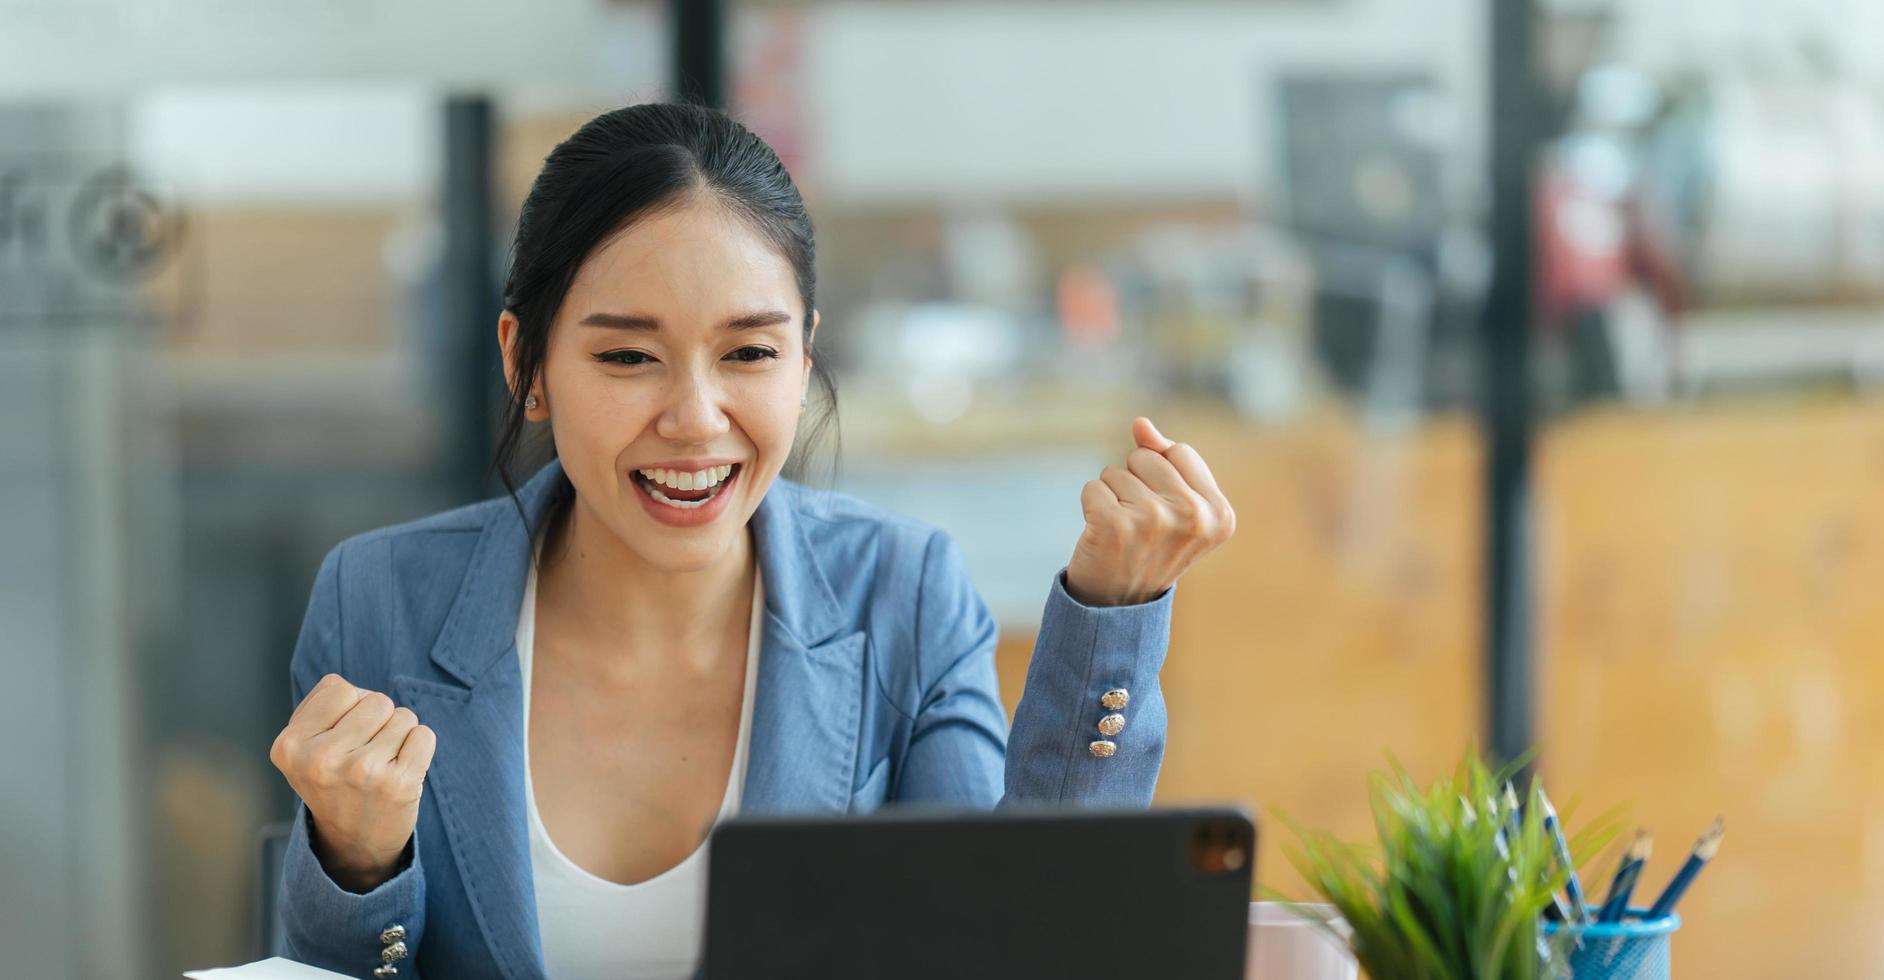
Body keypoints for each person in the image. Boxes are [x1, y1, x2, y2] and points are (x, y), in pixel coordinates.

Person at [265, 102, 1236, 980]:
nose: (695, 418)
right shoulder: (378, 601)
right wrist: (358, 866)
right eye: (627, 356)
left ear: (803, 358)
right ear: (529, 363)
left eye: (748, 352)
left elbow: (1021, 945)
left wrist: (1109, 615)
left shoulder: (902, 591)